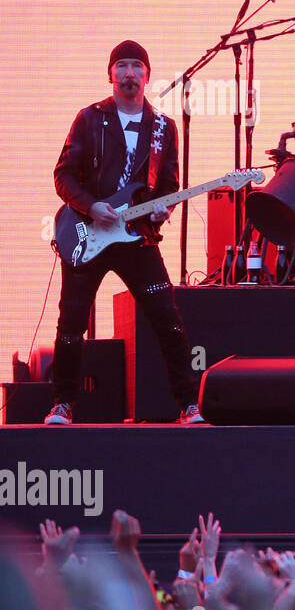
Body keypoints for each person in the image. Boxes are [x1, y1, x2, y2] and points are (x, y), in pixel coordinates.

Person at [47, 40, 203, 425]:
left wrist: (163, 209)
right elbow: (63, 175)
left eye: (137, 66)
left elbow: (168, 183)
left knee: (167, 319)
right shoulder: (89, 118)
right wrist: (90, 205)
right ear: (111, 75)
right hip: (88, 233)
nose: (130, 73)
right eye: (122, 66)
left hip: (136, 238)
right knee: (72, 322)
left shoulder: (163, 128)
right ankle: (63, 403)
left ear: (147, 76)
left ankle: (188, 404)